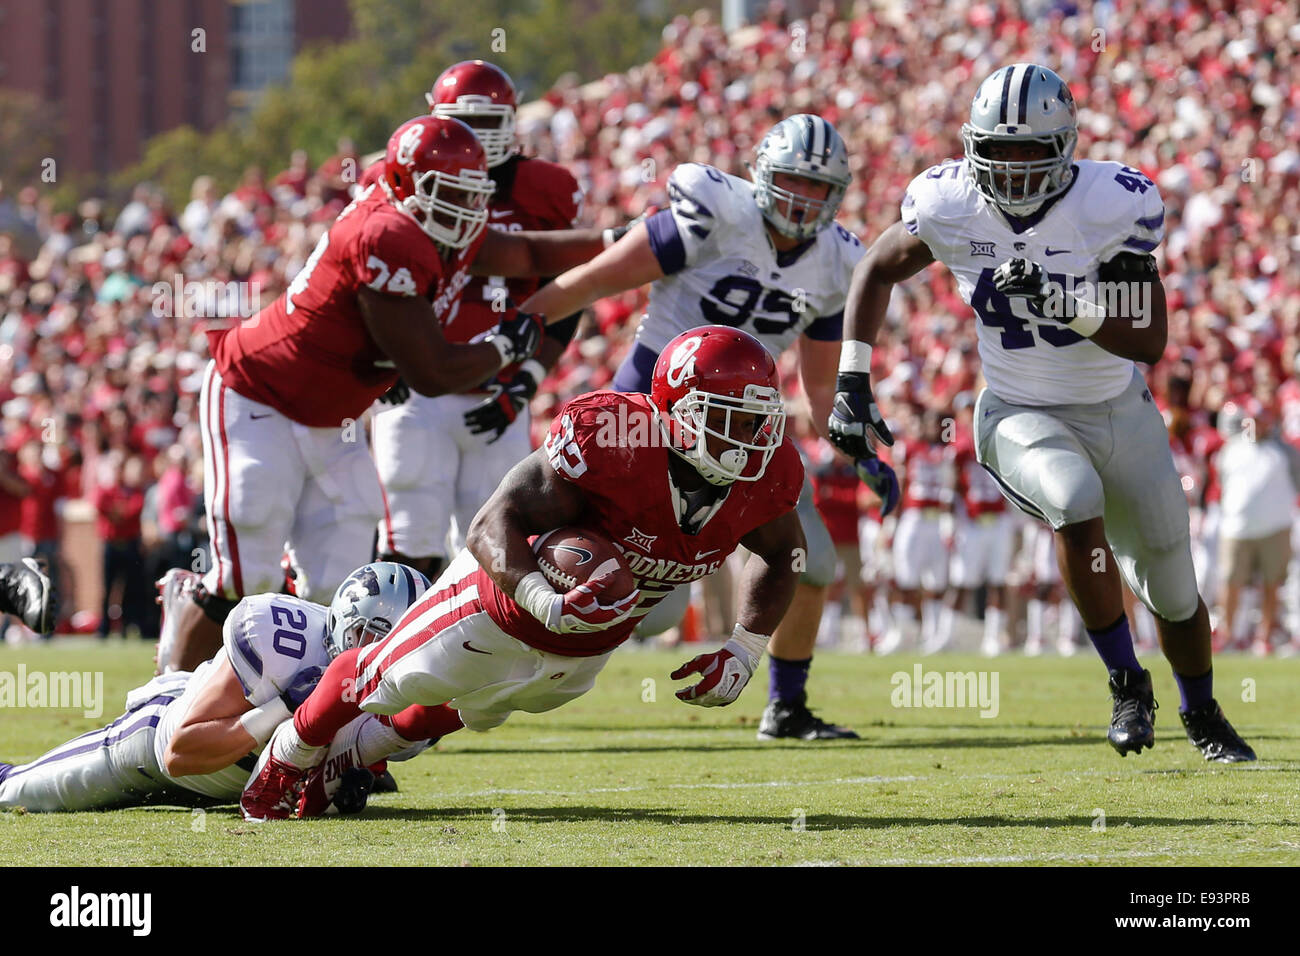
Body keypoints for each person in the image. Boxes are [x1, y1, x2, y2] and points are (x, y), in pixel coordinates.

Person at [829, 63, 1254, 762]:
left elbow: (1149, 339)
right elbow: (875, 267)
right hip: (1019, 411)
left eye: (1033, 151)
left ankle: (1202, 711)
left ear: (1066, 147)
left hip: (1119, 408)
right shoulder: (949, 202)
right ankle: (1126, 683)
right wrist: (853, 378)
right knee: (1072, 494)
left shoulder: (1107, 203)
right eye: (1001, 151)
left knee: (1174, 590)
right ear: (973, 147)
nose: (1017, 168)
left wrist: (1064, 304)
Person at [239, 327, 807, 820]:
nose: (751, 439)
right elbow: (492, 522)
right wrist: (542, 598)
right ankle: (287, 753)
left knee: (474, 707)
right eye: (731, 417)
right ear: (678, 412)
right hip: (500, 601)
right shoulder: (613, 437)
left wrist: (745, 648)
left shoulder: (768, 474)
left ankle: (352, 755)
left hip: (589, 643)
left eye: (759, 420)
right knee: (386, 676)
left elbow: (783, 554)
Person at [163, 114, 610, 674]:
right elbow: (431, 372)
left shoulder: (432, 221)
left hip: (335, 419)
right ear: (404, 187)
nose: (465, 210)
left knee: (337, 586)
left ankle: (312, 734)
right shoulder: (386, 235)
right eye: (448, 194)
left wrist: (624, 239)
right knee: (246, 573)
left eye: (472, 196)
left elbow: (526, 255)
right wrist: (503, 346)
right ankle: (167, 700)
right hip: (259, 395)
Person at [520, 114, 897, 740]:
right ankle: (497, 630)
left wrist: (860, 456)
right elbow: (588, 282)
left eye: (817, 189)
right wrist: (510, 346)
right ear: (761, 175)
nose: (802, 201)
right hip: (647, 423)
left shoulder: (836, 262)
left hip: (742, 435)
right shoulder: (716, 213)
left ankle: (785, 706)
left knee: (812, 561)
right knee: (645, 609)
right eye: (792, 183)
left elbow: (822, 386)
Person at [0, 563, 441, 813]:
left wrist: (349, 777)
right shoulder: (281, 637)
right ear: (347, 625)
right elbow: (180, 753)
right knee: (11, 792)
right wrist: (284, 708)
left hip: (226, 787)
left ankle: (176, 628)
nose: (387, 653)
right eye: (376, 637)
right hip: (151, 751)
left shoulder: (412, 680)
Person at [373, 61, 586, 579]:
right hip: (418, 387)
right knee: (409, 534)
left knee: (494, 543)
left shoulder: (548, 189)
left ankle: (471, 656)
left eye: (491, 124)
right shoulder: (404, 176)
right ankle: (382, 650)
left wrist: (527, 383)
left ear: (513, 123)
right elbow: (371, 282)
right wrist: (379, 367)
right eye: (464, 122)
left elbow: (568, 293)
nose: (476, 138)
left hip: (499, 388)